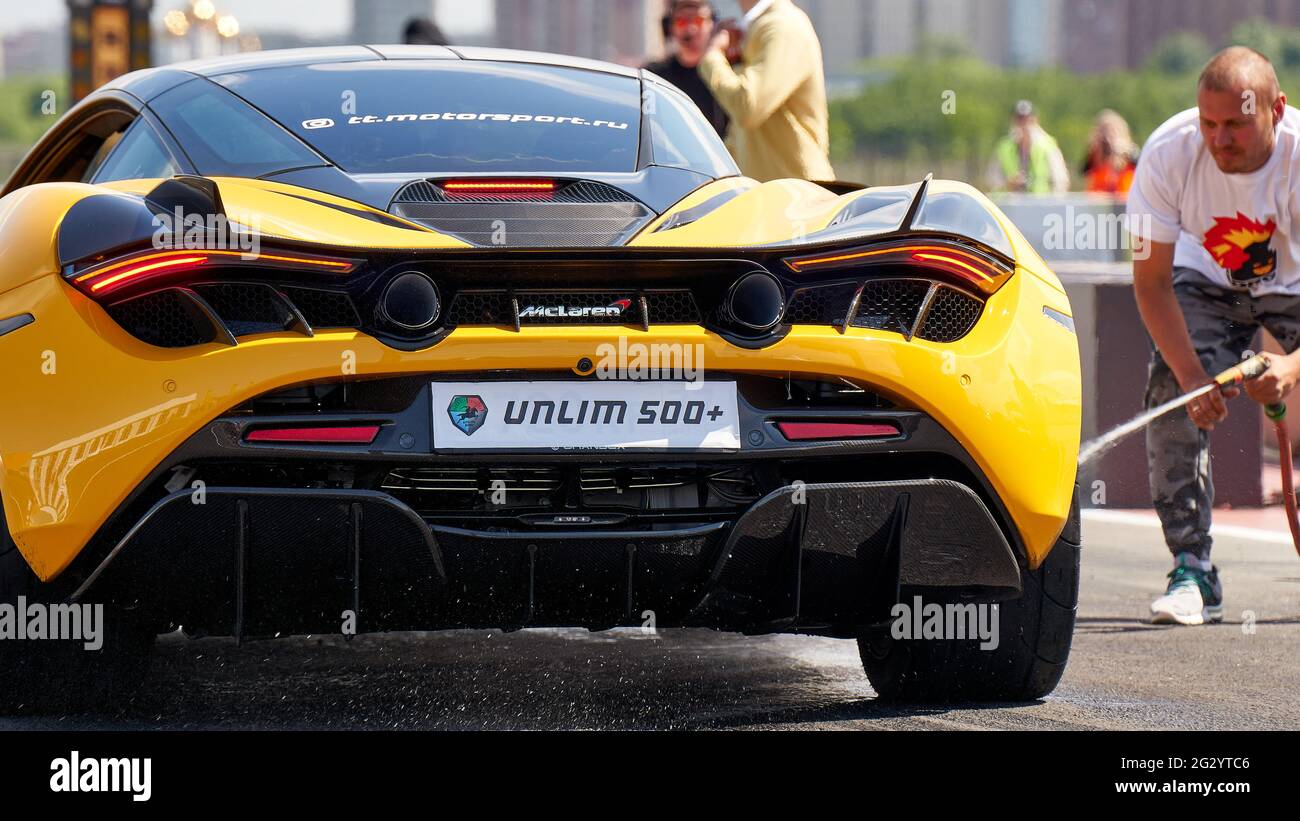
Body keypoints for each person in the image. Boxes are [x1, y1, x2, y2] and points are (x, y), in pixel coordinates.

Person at [1127, 47, 1300, 625]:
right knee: (1170, 390)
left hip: (1294, 283)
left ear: (1276, 110)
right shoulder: (1167, 154)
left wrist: (1293, 369)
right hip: (1206, 285)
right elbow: (1151, 284)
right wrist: (1193, 377)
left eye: (1236, 125)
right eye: (1209, 124)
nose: (1219, 140)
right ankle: (1192, 569)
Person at [696, 0, 834, 182]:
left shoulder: (782, 26)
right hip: (776, 193)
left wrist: (712, 57)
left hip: (798, 197)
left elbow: (748, 108)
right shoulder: (761, 25)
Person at [644, 0, 729, 139]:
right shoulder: (654, 77)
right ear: (669, 28)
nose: (691, 29)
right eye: (681, 21)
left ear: (713, 25)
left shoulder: (726, 74)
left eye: (698, 20)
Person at [987, 100, 1070, 193]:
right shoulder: (1004, 147)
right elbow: (992, 180)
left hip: (1041, 204)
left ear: (1036, 120)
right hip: (1011, 203)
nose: (1024, 123)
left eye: (1028, 119)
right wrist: (1008, 184)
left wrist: (1052, 203)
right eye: (1020, 119)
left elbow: (1060, 179)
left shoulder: (1047, 146)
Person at [1082, 109, 1139, 195]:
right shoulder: (1096, 153)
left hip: (1124, 200)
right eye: (1104, 131)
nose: (1108, 136)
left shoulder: (1130, 151)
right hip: (1100, 200)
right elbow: (1084, 171)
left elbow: (1142, 164)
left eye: (1112, 131)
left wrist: (1125, 152)